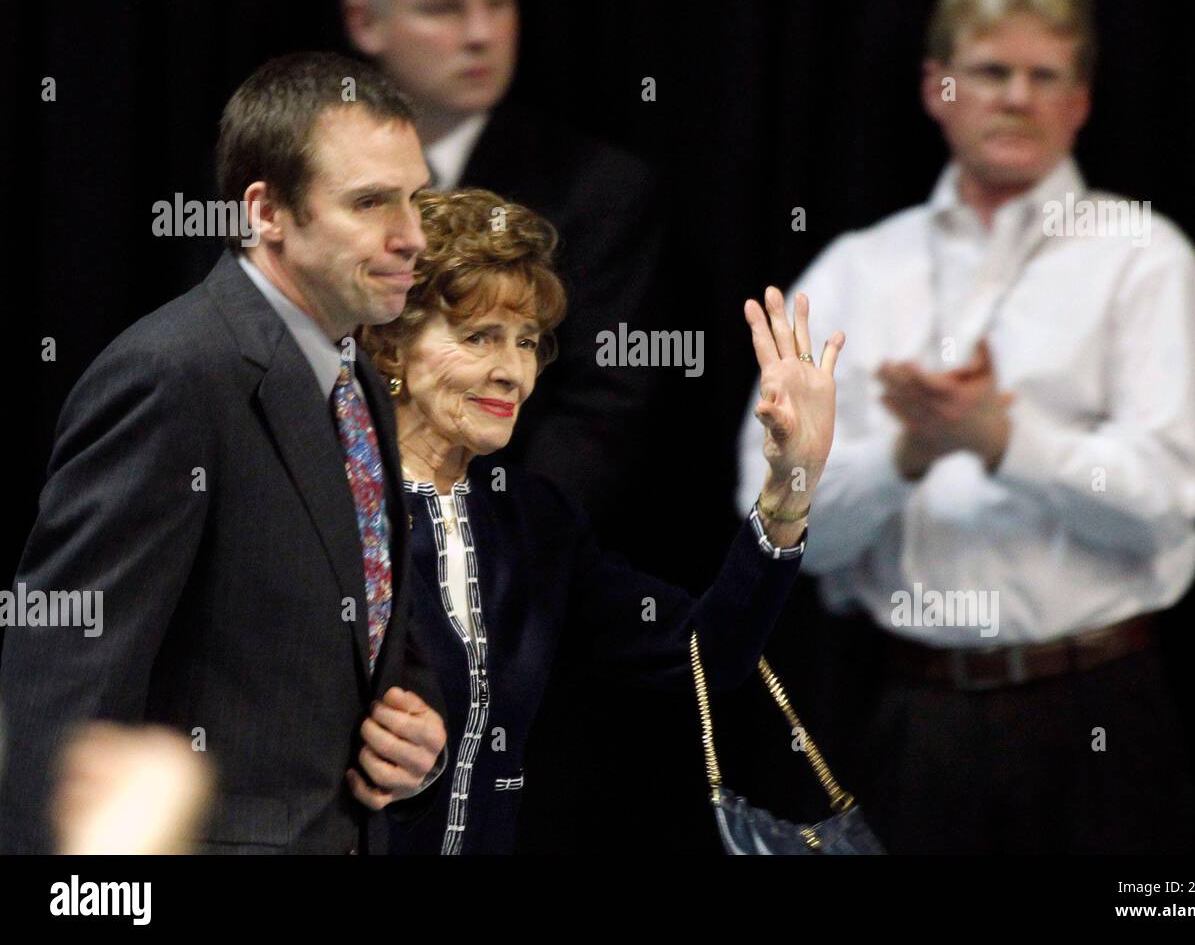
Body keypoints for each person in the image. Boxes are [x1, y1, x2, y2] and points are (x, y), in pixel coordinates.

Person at [736, 0, 1195, 854]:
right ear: (937, 88)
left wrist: (1005, 439)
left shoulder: (1146, 258)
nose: (1016, 96)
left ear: (1080, 103)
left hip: (1098, 722)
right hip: (905, 719)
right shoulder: (856, 267)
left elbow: (1165, 508)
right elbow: (771, 538)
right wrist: (905, 456)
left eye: (1046, 76)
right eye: (991, 71)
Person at [0, 52, 447, 854]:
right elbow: (65, 681)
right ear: (266, 211)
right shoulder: (173, 374)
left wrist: (414, 727)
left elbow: (371, 623)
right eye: (372, 202)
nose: (412, 236)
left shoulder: (360, 380)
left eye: (416, 196)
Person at [357, 188, 843, 854]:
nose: (513, 371)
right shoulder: (326, 500)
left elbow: (708, 655)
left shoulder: (530, 520)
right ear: (390, 344)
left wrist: (793, 483)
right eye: (479, 337)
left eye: (527, 342)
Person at [340, 0, 661, 535]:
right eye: (443, 9)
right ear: (365, 21)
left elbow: (601, 413)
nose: (481, 34)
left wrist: (484, 545)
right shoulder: (302, 181)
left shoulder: (597, 190)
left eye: (499, 2)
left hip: (503, 553)